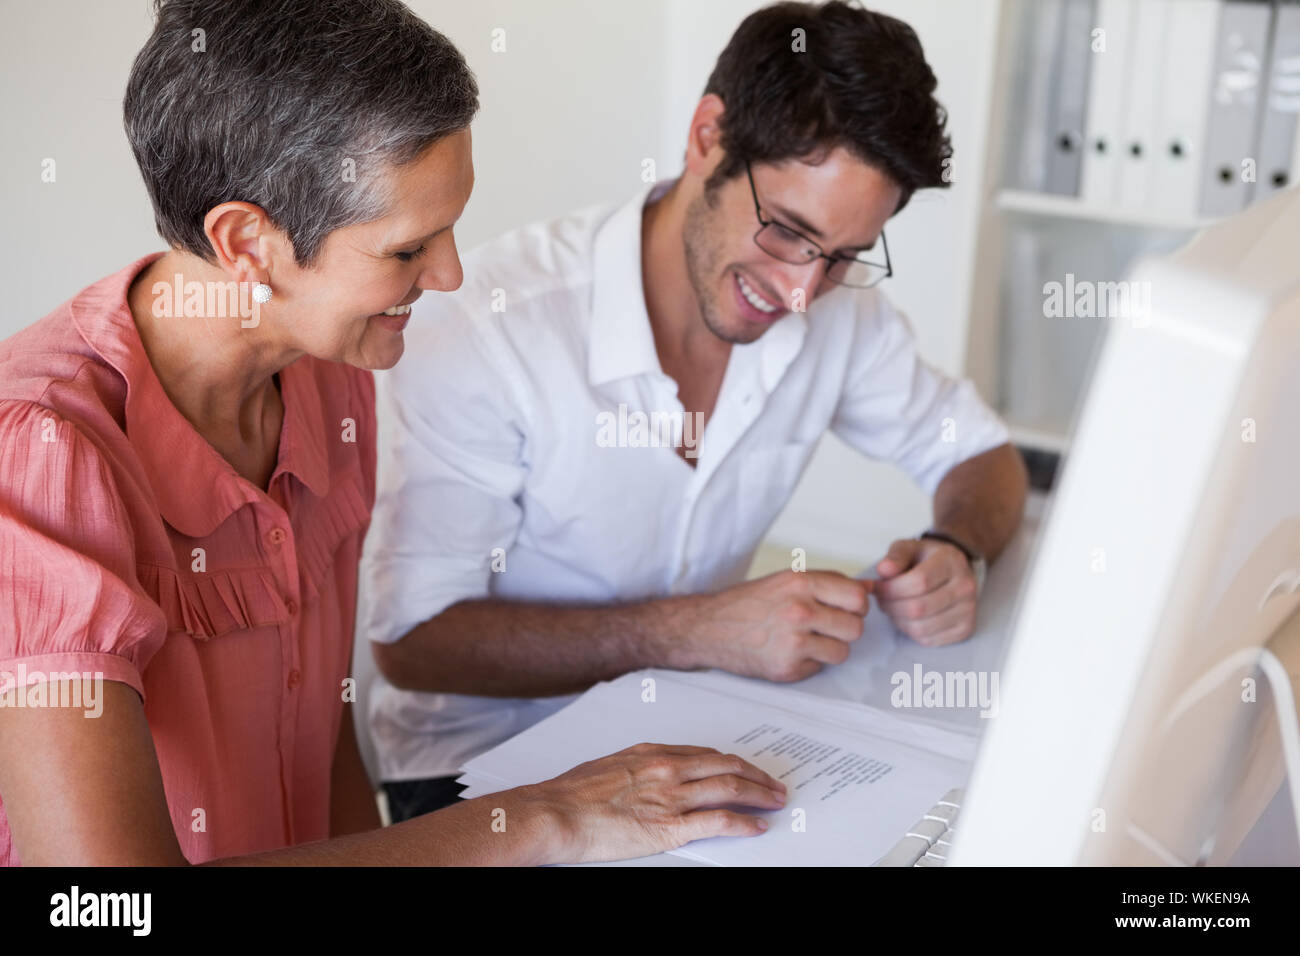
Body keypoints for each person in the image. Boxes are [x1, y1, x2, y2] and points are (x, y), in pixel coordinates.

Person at [0, 0, 786, 867]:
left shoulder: (332, 373)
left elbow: (321, 739)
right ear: (244, 243)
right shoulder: (44, 453)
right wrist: (545, 816)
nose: (449, 273)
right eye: (408, 250)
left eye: (451, 229)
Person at [363, 0, 1029, 821]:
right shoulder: (487, 328)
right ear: (707, 134)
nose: (800, 291)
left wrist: (954, 547)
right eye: (787, 231)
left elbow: (983, 454)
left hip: (695, 737)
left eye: (845, 256)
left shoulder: (835, 310)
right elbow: (413, 645)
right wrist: (692, 632)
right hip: (481, 774)